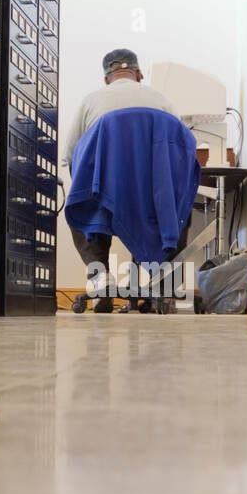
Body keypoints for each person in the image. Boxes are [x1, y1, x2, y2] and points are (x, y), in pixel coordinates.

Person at [63, 49, 183, 313]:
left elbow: (72, 157)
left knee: (80, 211)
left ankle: (100, 278)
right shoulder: (162, 100)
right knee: (177, 213)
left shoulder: (91, 100)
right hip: (152, 201)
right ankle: (163, 286)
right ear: (139, 74)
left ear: (107, 79)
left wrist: (93, 191)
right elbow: (179, 154)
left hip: (104, 200)